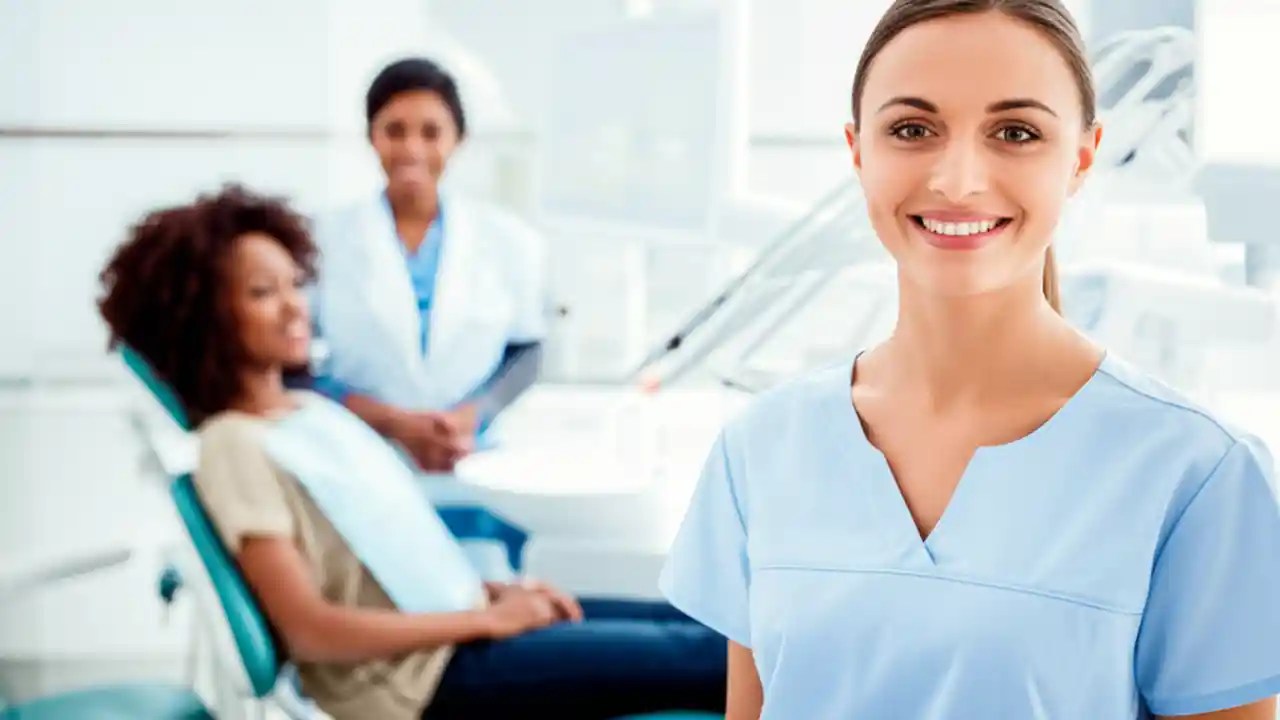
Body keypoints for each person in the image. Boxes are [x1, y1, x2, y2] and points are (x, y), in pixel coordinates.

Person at [659, 1, 1280, 719]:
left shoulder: (1198, 474)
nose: (958, 179)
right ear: (858, 151)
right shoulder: (764, 447)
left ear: (1080, 157)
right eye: (912, 130)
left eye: (1015, 132)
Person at [97, 185, 726, 720]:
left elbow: (393, 562)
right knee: (713, 658)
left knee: (708, 620)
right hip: (418, 684)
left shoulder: (309, 414)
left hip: (459, 633)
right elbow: (309, 630)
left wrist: (495, 594)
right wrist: (485, 623)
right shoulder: (233, 445)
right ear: (204, 317)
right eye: (263, 293)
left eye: (294, 284)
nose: (295, 306)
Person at [310, 57, 547, 472]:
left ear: (459, 139)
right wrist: (393, 422)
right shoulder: (323, 239)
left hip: (470, 453)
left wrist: (473, 415)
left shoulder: (508, 240)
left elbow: (527, 349)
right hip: (363, 456)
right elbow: (294, 366)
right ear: (372, 137)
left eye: (431, 132)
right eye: (394, 131)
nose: (412, 149)